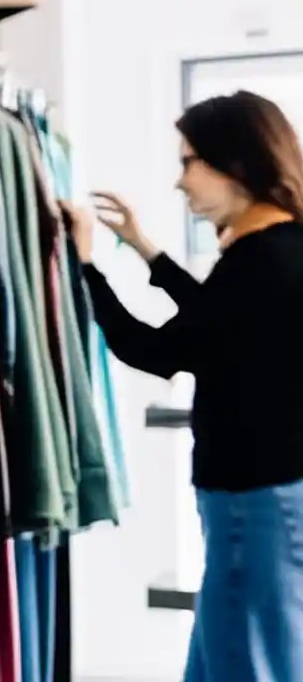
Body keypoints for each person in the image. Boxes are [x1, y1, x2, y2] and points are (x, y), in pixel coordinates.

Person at [62, 90, 303, 681]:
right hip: (272, 495)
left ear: (235, 164)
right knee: (233, 656)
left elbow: (158, 351)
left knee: (246, 664)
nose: (179, 182)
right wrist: (143, 248)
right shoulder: (283, 248)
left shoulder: (257, 262)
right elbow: (217, 325)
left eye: (188, 162)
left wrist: (86, 267)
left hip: (253, 504)